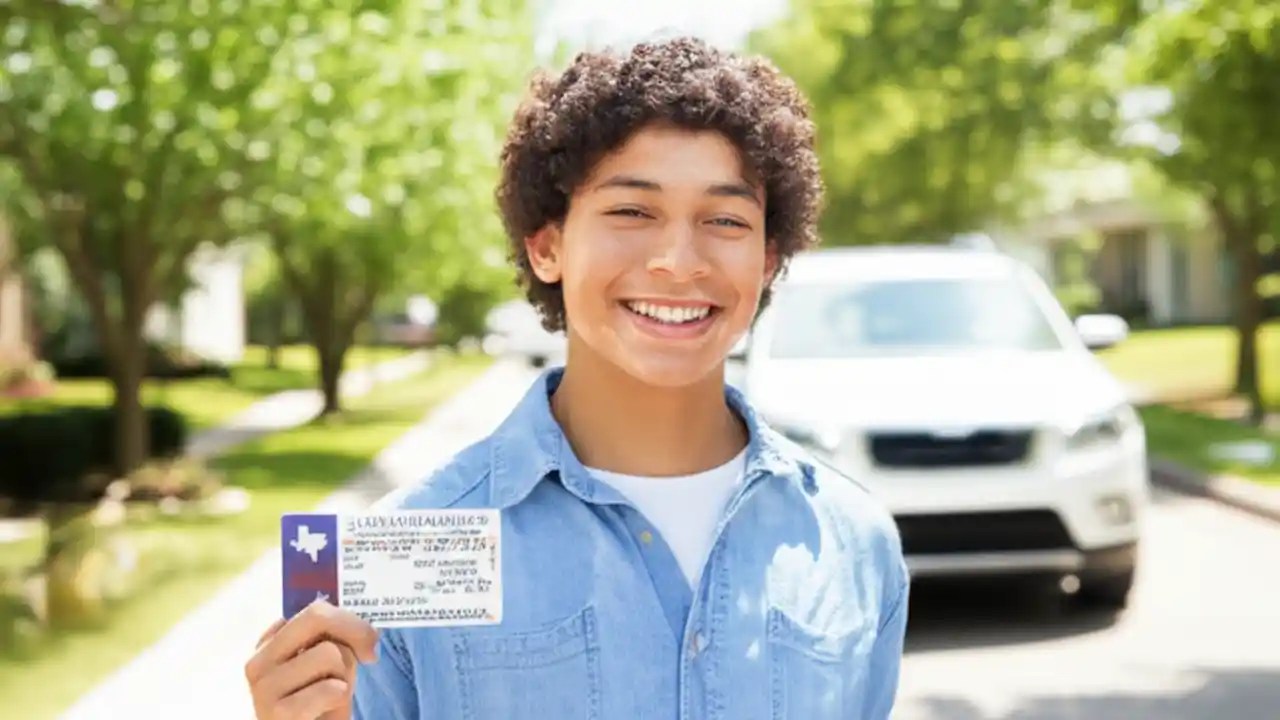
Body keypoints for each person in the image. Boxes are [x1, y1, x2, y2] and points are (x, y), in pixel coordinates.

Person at [245, 36, 909, 719]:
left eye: (725, 219)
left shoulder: (855, 541)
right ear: (547, 246)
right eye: (631, 211)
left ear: (768, 259)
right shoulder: (403, 550)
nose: (679, 261)